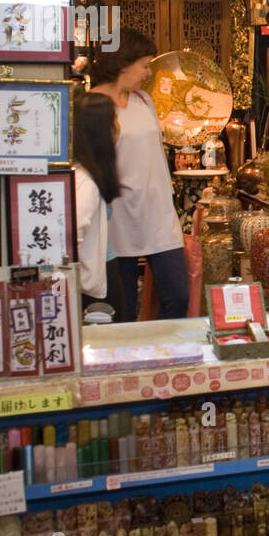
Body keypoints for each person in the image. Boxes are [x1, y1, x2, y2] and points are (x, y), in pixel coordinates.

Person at [88, 28, 188, 319]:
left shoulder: (144, 100)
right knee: (122, 309)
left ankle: (162, 355)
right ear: (122, 63)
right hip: (116, 217)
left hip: (158, 213)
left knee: (178, 297)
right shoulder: (93, 105)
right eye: (144, 64)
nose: (148, 72)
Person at [72, 91, 127, 320]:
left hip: (101, 269)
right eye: (113, 119)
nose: (118, 125)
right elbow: (73, 235)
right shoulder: (86, 182)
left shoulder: (86, 174)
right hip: (95, 277)